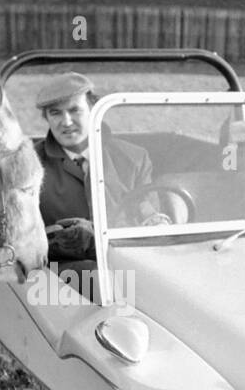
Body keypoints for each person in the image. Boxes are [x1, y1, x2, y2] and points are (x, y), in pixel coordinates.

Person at [34, 72, 165, 264]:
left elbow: (148, 223)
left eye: (74, 110)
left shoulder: (134, 159)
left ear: (94, 109)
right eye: (55, 113)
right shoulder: (30, 165)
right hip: (57, 274)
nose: (66, 122)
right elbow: (22, 239)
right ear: (46, 118)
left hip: (124, 266)